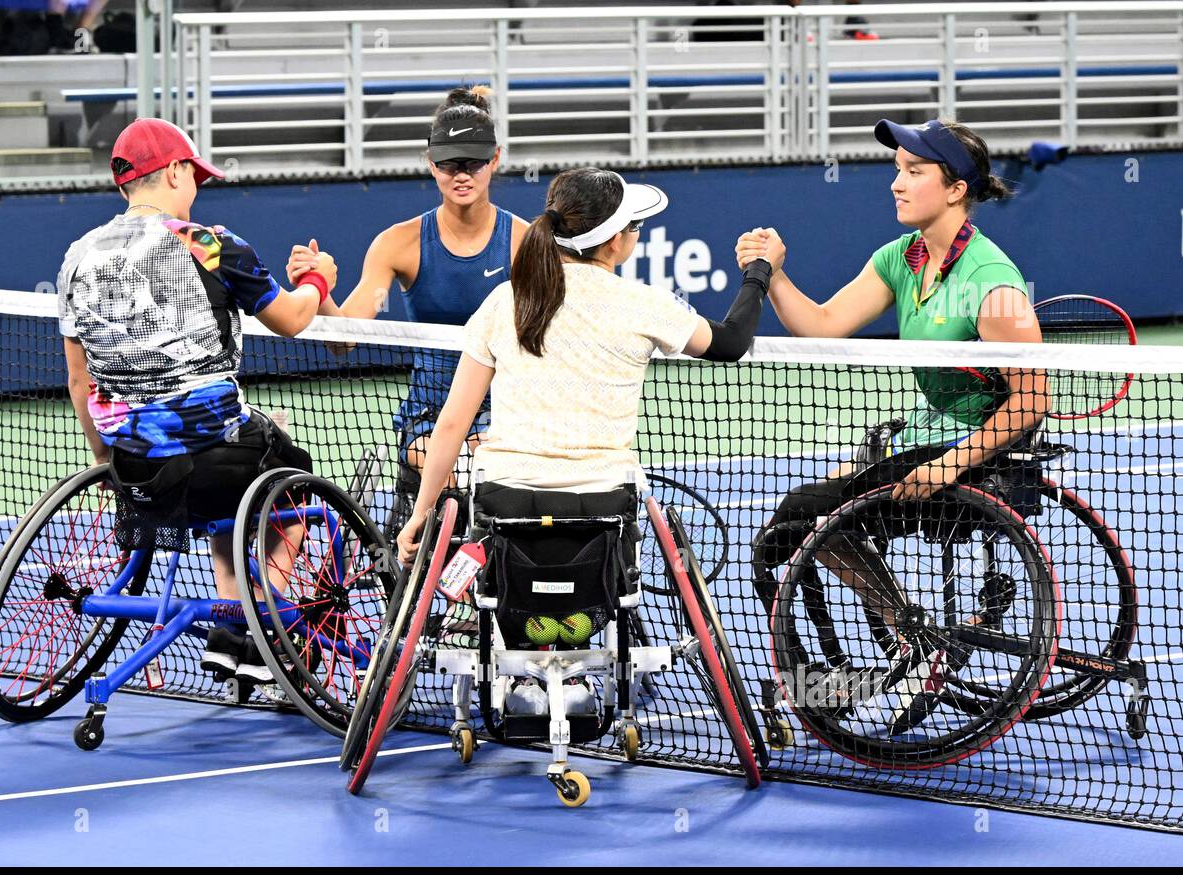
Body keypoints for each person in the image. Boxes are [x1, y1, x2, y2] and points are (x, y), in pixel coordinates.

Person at [395, 166, 782, 716]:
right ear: (617, 240)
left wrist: (422, 513)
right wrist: (758, 273)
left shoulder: (505, 302)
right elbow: (731, 342)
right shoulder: (643, 303)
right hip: (603, 515)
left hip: (505, 508)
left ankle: (527, 662)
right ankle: (570, 659)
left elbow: (452, 426)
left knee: (501, 561)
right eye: (634, 226)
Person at [739, 118, 1047, 733]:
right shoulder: (902, 259)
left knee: (806, 514)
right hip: (922, 439)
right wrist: (772, 274)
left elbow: (1032, 399)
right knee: (796, 522)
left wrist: (948, 465)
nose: (897, 184)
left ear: (956, 189)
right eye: (897, 170)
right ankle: (903, 644)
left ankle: (910, 642)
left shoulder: (991, 283)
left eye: (914, 172)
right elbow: (822, 326)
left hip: (977, 456)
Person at [57, 117, 339, 686]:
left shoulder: (77, 257)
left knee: (226, 502)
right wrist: (318, 281)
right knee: (291, 484)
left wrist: (107, 460)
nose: (197, 188)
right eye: (195, 176)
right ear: (175, 172)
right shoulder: (207, 242)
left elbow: (80, 381)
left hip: (138, 464)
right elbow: (291, 320)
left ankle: (228, 631)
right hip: (216, 456)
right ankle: (259, 629)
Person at [287, 86, 528, 513]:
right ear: (431, 163)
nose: (462, 175)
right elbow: (344, 339)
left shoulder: (524, 243)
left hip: (503, 408)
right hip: (427, 416)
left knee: (483, 473)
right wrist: (318, 284)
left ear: (495, 159)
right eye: (449, 163)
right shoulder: (398, 245)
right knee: (448, 478)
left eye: (473, 162)